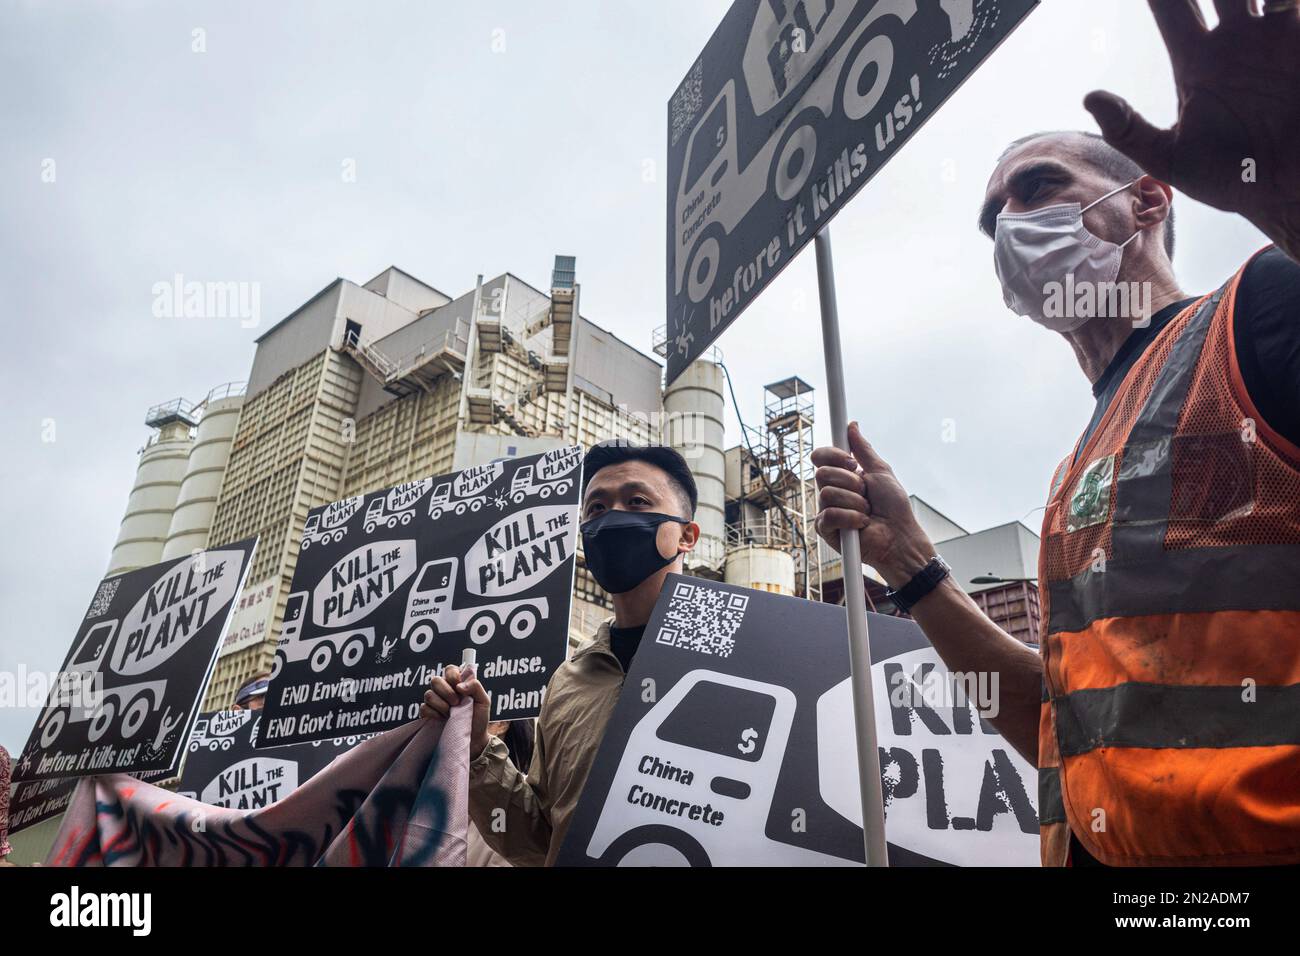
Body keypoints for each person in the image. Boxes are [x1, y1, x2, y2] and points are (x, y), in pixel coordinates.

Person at [814, 1, 1300, 867]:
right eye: (991, 216)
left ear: (1147, 198)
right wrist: (914, 569)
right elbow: (1060, 724)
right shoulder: (1074, 473)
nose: (1008, 225)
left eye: (1037, 187)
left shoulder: (1257, 312)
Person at [420, 442, 700, 866]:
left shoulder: (743, 654)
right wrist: (476, 748)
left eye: (637, 501)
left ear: (686, 535)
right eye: (597, 508)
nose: (612, 517)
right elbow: (538, 842)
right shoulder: (568, 681)